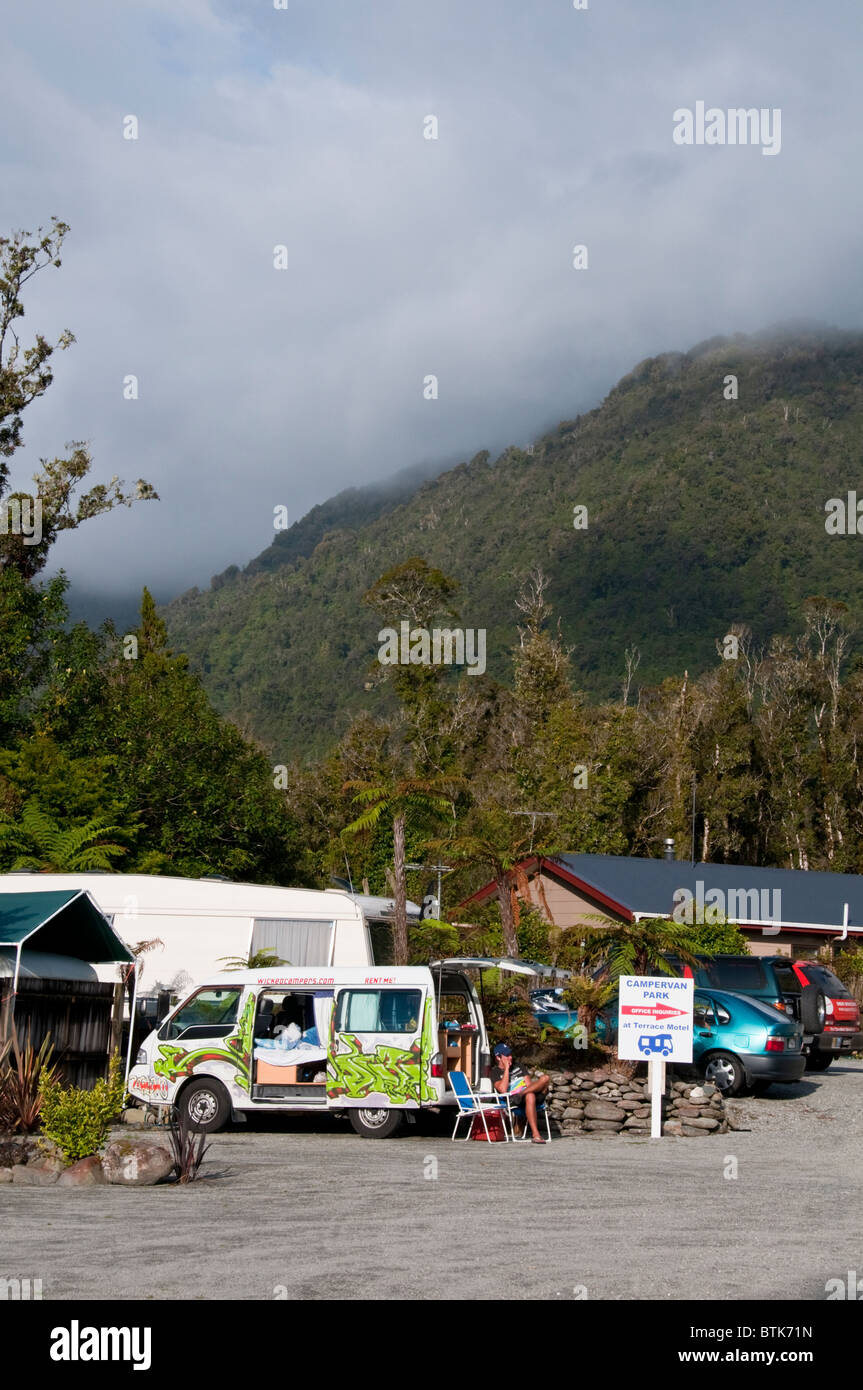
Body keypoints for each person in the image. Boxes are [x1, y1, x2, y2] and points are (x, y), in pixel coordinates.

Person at [490, 1042, 550, 1143]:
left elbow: (530, 1085)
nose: (510, 1057)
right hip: (514, 1100)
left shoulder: (519, 1066)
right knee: (530, 1095)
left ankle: (521, 1094)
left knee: (545, 1078)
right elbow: (503, 1090)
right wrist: (507, 1069)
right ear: (499, 1057)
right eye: (507, 1055)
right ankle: (536, 1135)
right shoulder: (495, 1072)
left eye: (510, 1054)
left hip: (525, 1094)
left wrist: (525, 1091)